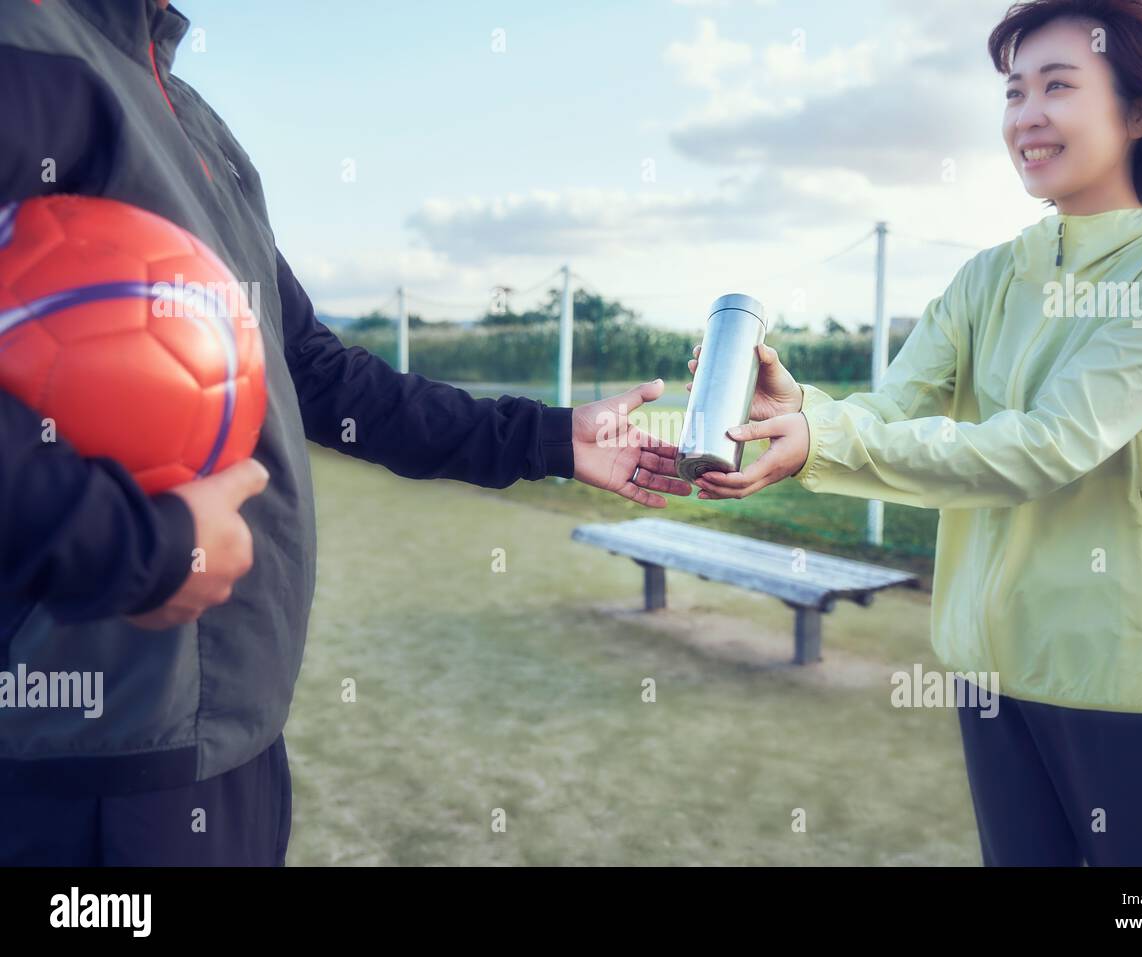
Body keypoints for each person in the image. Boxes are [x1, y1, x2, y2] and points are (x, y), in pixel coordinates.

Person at [0, 0, 691, 865]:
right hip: (90, 757)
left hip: (238, 731)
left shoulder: (191, 117)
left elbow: (317, 370)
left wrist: (546, 438)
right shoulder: (29, 48)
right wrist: (136, 547)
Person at [688, 0, 1142, 866]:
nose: (1027, 115)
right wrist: (804, 418)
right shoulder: (987, 275)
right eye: (1014, 92)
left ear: (1140, 111)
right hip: (990, 671)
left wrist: (827, 441)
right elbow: (892, 406)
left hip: (1130, 680)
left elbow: (1045, 446)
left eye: (1058, 86)